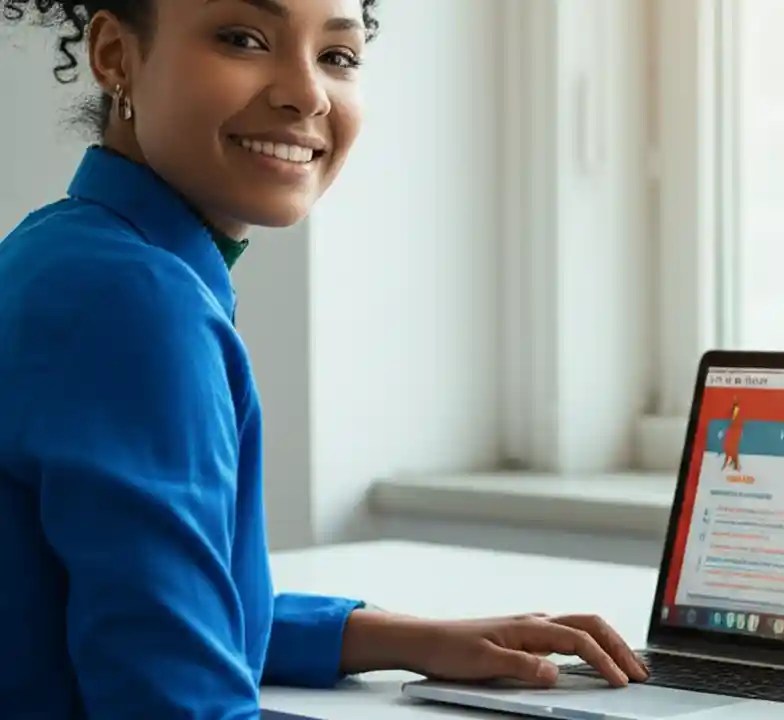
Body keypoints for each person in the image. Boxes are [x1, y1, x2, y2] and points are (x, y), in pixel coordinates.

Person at [0, 1, 648, 718]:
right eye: (243, 38)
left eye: (336, 57)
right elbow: (175, 697)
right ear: (117, 55)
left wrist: (415, 639)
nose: (306, 93)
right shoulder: (135, 301)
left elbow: (152, 602)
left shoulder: (63, 253)